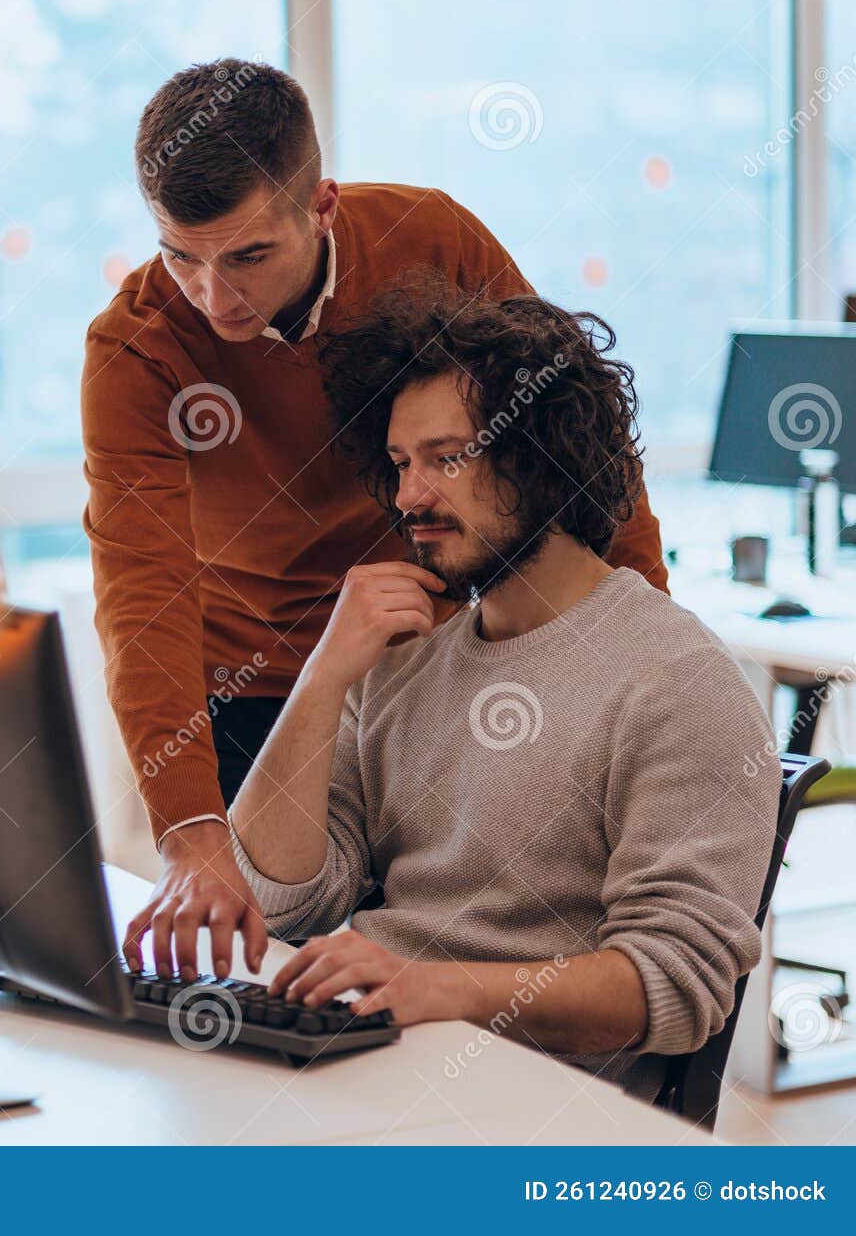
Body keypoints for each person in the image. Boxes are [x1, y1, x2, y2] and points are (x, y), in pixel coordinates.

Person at [87, 60, 669, 980]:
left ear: (318, 206)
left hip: (431, 667)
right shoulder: (136, 350)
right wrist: (192, 837)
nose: (212, 297)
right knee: (279, 985)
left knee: (427, 955)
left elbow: (574, 439)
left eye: (246, 257)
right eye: (179, 256)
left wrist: (650, 646)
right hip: (257, 692)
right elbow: (141, 597)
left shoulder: (428, 237)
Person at [216, 277, 776, 1100]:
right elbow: (280, 898)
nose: (410, 496)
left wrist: (434, 986)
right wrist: (325, 673)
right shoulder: (400, 659)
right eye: (403, 464)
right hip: (376, 1065)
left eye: (448, 459)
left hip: (525, 1108)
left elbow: (674, 986)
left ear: (544, 460)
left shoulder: (678, 680)